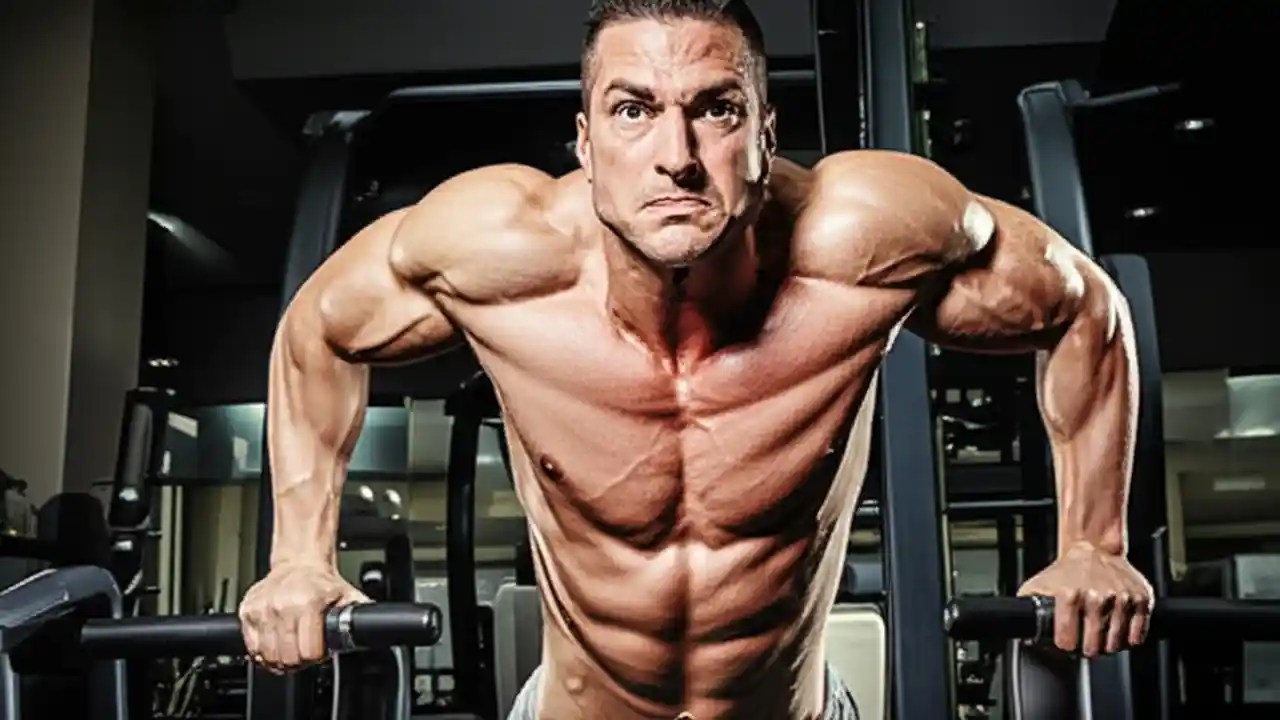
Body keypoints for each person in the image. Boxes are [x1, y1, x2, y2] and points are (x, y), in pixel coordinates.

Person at [238, 1, 1154, 718]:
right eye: (633, 111)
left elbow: (1084, 309)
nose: (674, 157)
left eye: (714, 109)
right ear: (586, 142)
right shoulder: (494, 254)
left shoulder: (866, 240)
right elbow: (315, 330)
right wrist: (298, 559)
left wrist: (1093, 544)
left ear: (764, 130)